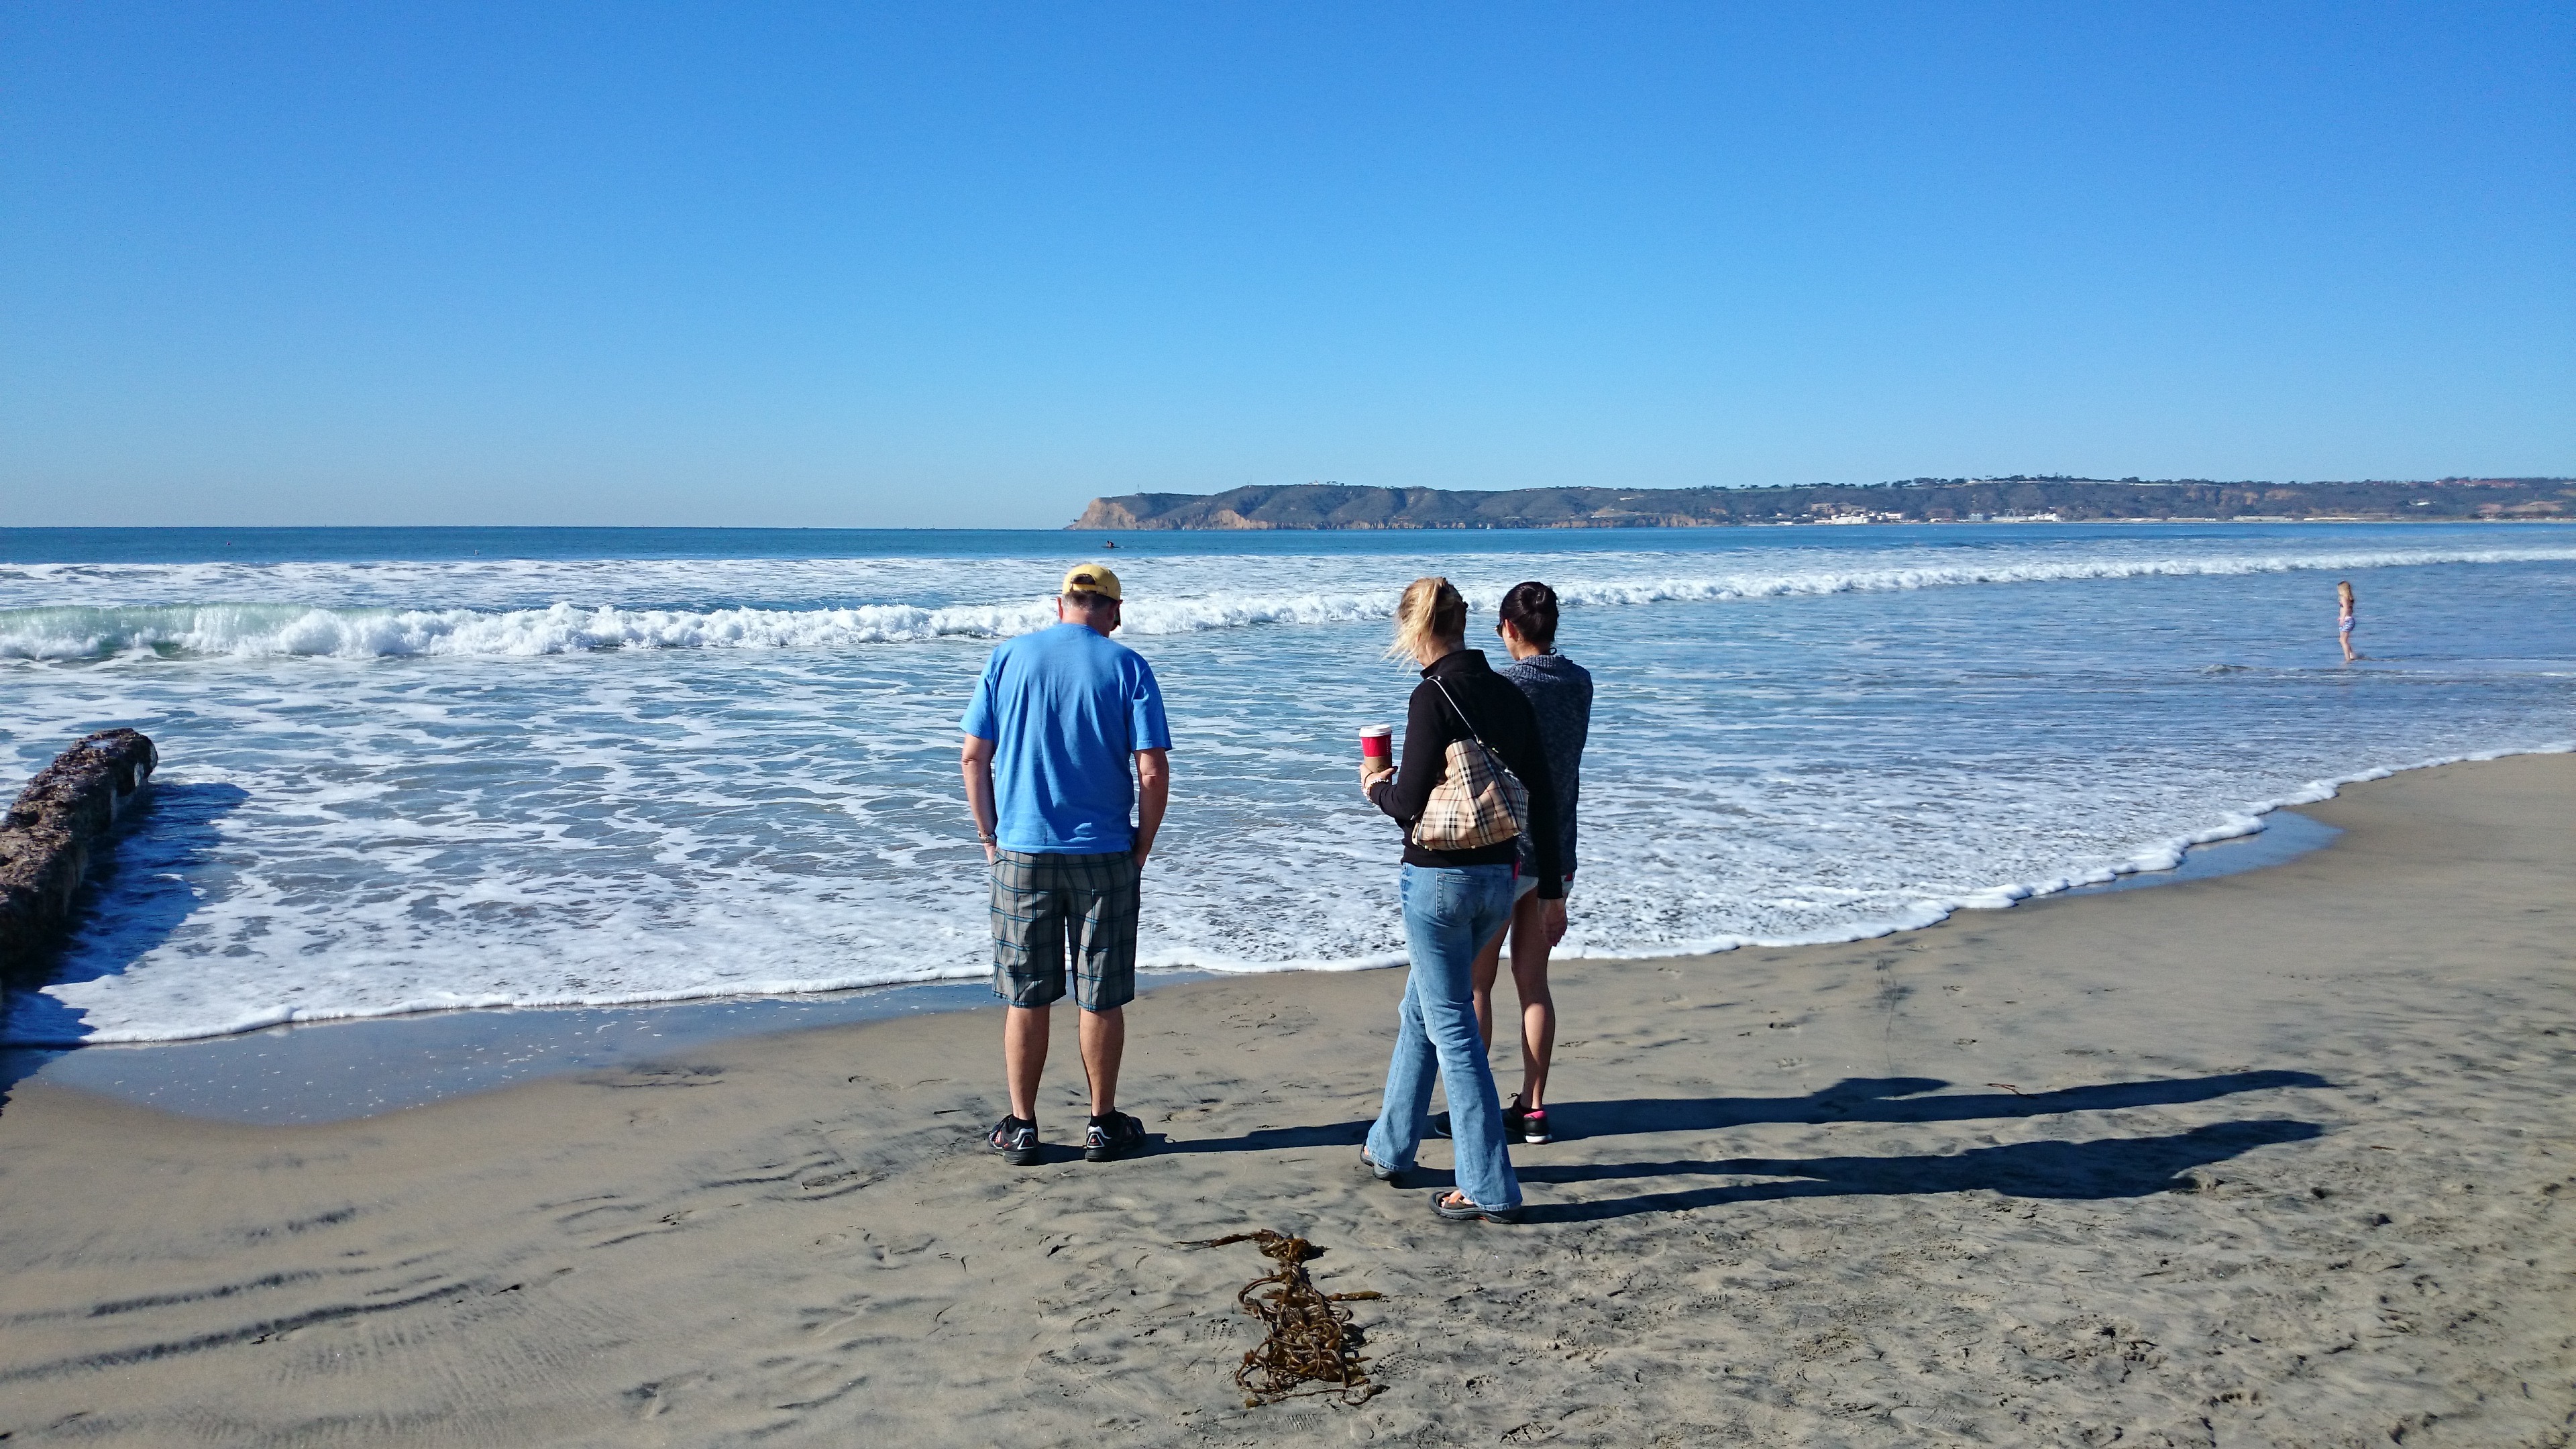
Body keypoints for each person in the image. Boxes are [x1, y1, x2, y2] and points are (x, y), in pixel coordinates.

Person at [1358, 576, 1561, 1224]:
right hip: (1501, 877)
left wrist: (1372, 783)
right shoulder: (1506, 689)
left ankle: (1487, 1186)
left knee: (1452, 1026)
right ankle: (1391, 1147)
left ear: (1413, 629)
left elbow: (1409, 805)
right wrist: (1551, 887)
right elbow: (1545, 800)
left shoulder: (1432, 695)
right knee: (1423, 1005)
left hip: (1438, 881)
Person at [961, 564, 1171, 1167]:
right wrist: (1142, 845)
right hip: (1104, 851)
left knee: (1027, 996)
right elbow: (1152, 772)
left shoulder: (1008, 658)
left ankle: (1022, 1127)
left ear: (1060, 606)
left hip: (1022, 851)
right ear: (1114, 611)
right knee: (1100, 994)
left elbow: (974, 759)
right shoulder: (1126, 665)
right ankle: (1102, 1124)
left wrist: (989, 837)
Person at [1468, 582, 1591, 1146]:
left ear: (1509, 630)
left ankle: (1478, 1107)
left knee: (1478, 982)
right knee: (1534, 983)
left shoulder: (1501, 687)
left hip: (1501, 847)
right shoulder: (1579, 682)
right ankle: (1535, 1107)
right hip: (1556, 846)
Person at [2337, 580, 2359, 663]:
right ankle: (2351, 654)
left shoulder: (2344, 598)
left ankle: (2348, 658)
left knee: (2343, 640)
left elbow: (2345, 608)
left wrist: (2342, 618)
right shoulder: (2349, 598)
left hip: (2347, 620)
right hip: (2349, 619)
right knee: (2343, 640)